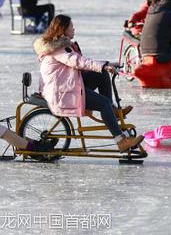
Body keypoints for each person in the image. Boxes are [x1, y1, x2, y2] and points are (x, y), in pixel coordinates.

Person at [33, 15, 144, 152]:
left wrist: (106, 65)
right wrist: (103, 65)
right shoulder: (59, 49)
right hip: (61, 93)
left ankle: (113, 111)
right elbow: (79, 62)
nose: (73, 28)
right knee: (104, 104)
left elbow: (82, 61)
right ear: (63, 29)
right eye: (70, 26)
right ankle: (121, 141)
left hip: (66, 85)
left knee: (101, 74)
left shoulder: (60, 45)